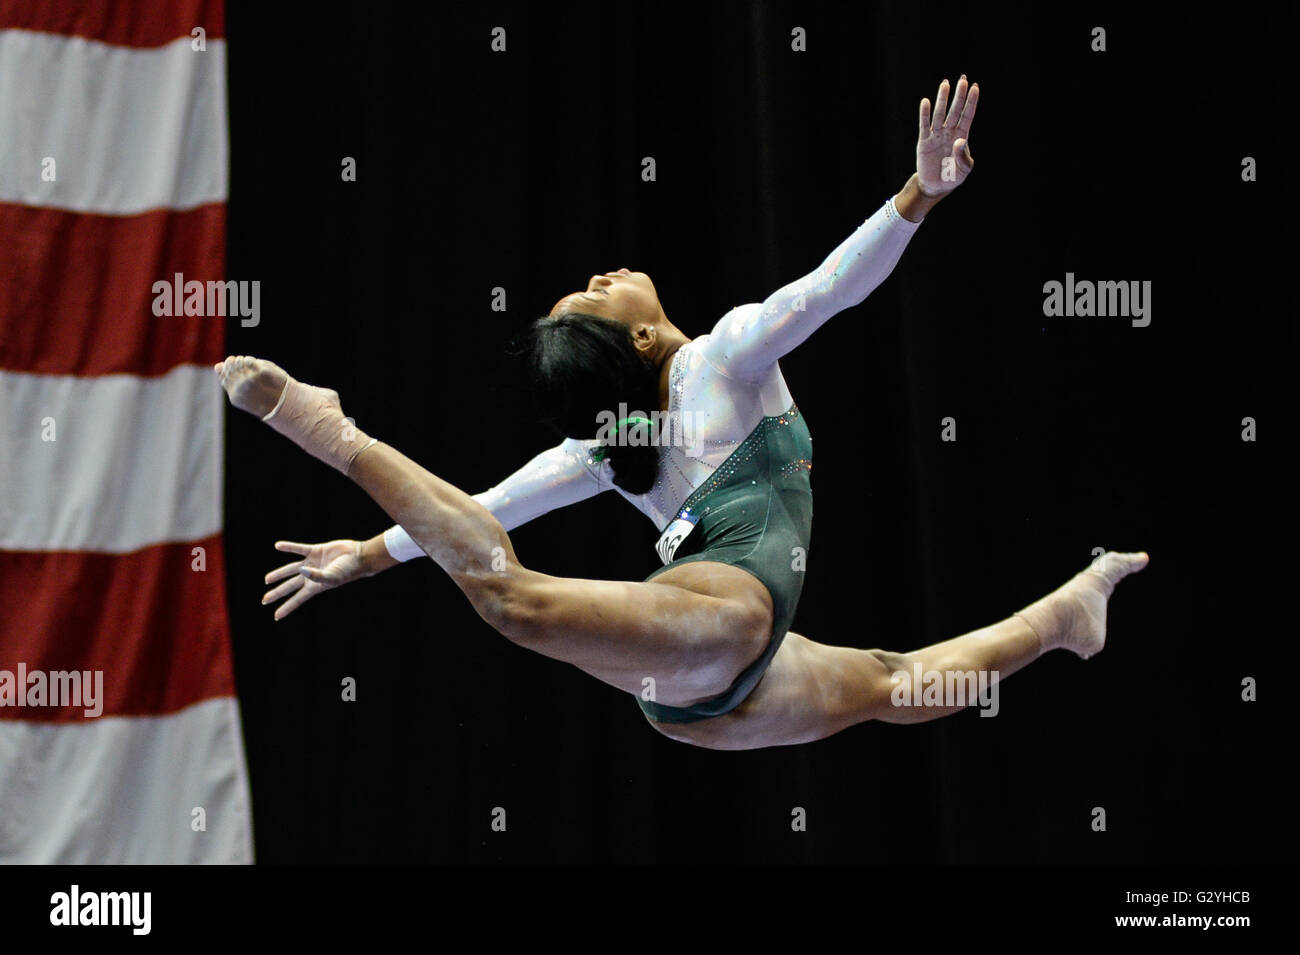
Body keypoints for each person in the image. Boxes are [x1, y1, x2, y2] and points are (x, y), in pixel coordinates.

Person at [218, 75, 1147, 750]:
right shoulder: (718, 363)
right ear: (639, 344)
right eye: (593, 298)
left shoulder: (651, 416)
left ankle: (1067, 612)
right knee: (512, 598)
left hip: (707, 698)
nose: (599, 276)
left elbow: (482, 509)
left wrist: (367, 556)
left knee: (900, 682)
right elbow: (830, 288)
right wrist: (919, 197)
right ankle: (328, 427)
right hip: (722, 628)